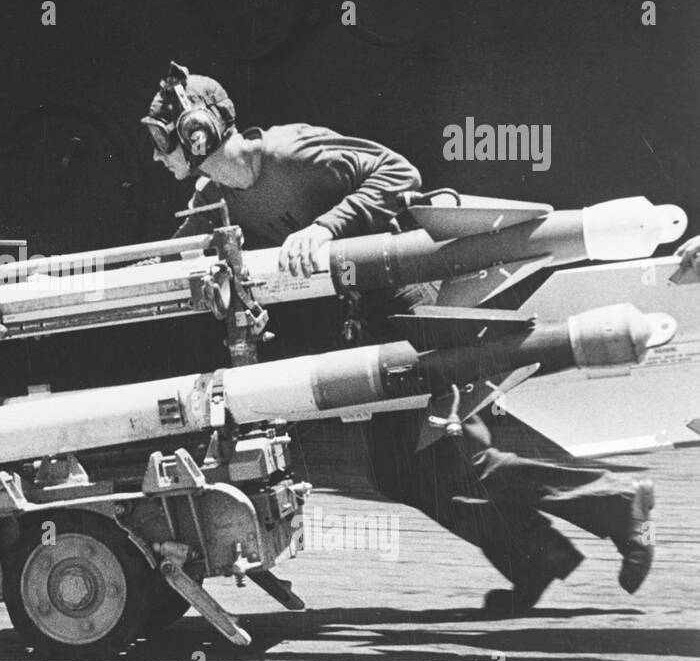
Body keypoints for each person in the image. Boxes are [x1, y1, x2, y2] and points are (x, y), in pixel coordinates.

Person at [140, 62, 654, 612]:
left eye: (161, 138)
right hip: (368, 329)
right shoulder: (212, 197)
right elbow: (172, 259)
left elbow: (398, 172)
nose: (155, 153)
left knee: (453, 454)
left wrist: (325, 226)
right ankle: (544, 548)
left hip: (415, 309)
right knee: (406, 468)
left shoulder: (293, 155)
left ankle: (607, 509)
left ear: (198, 130)